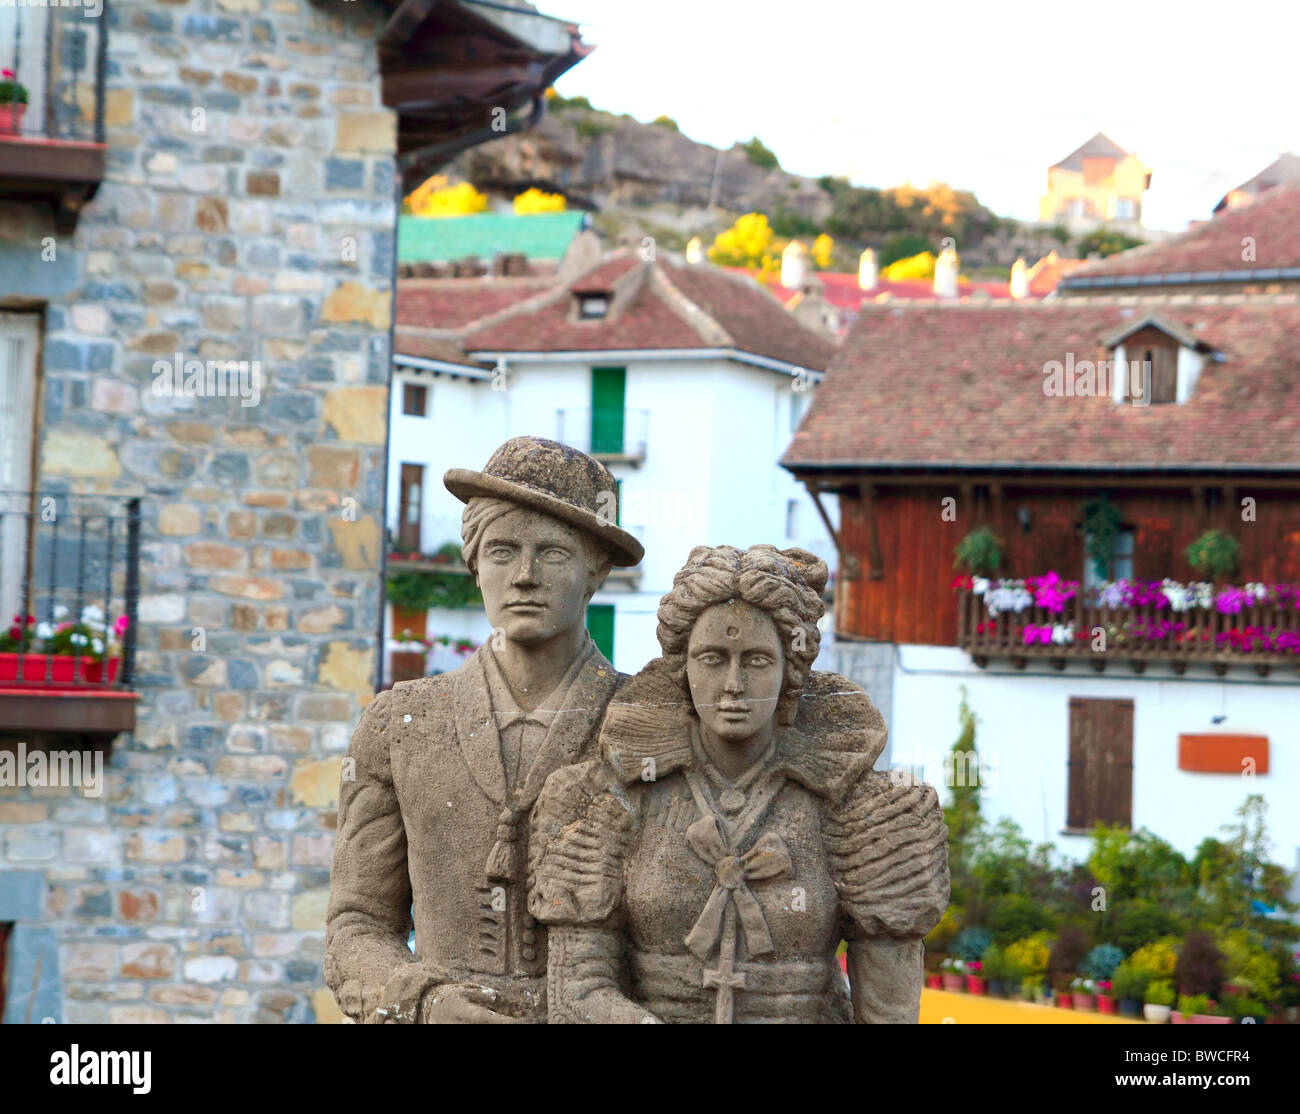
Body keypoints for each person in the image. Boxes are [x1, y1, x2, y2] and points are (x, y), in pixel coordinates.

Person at [529, 544, 949, 1023]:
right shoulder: (604, 798)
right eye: (711, 658)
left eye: (755, 661)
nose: (732, 683)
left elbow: (888, 1013)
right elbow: (576, 995)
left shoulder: (859, 809)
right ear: (682, 667)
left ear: (790, 670)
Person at [325, 437, 643, 1023]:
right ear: (474, 563)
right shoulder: (400, 724)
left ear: (595, 569)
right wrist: (426, 1003)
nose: (524, 576)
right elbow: (357, 923)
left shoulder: (645, 722)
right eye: (501, 551)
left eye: (552, 553)